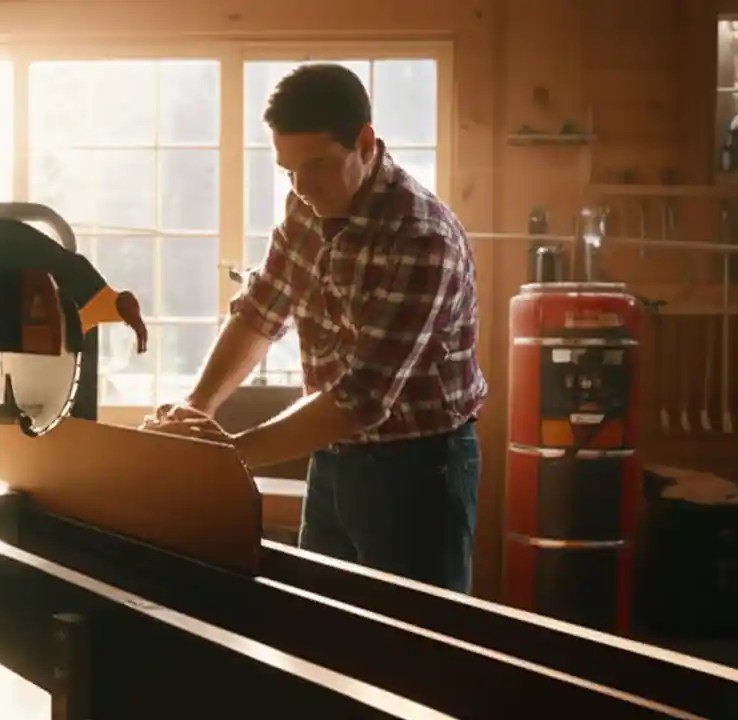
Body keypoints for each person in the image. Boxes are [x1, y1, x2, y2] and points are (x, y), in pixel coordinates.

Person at [143, 63, 487, 594]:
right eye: (289, 170)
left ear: (365, 143)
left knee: (413, 652)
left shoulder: (422, 239)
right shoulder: (305, 205)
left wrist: (224, 455)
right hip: (331, 456)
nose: (302, 187)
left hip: (418, 470)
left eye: (319, 165)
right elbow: (262, 310)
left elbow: (361, 398)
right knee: (322, 632)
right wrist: (196, 411)